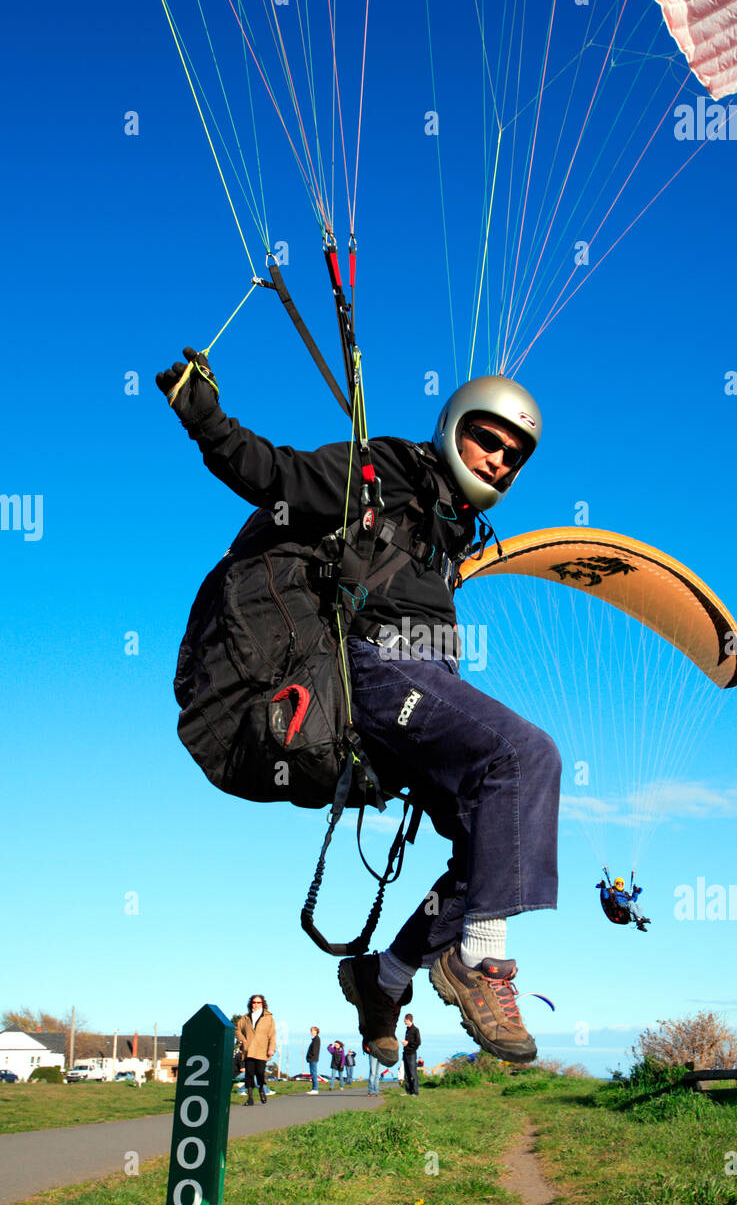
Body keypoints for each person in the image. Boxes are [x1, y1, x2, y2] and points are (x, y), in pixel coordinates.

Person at [157, 355, 561, 1069]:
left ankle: (384, 977)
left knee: (493, 840)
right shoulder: (380, 474)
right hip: (375, 672)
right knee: (526, 756)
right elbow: (274, 475)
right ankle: (482, 967)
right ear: (452, 429)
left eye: (512, 454)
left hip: (419, 683)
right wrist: (205, 418)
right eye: (486, 439)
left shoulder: (453, 532)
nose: (497, 460)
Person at [235, 994, 276, 1105]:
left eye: (258, 1002)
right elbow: (237, 1029)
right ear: (251, 1003)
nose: (256, 1005)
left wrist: (271, 1048)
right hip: (248, 1050)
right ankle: (250, 1098)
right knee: (249, 1074)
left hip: (262, 1049)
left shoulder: (268, 1018)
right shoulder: (246, 1018)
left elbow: (272, 1035)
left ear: (262, 1004)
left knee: (260, 1072)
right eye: (254, 1002)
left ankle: (262, 1089)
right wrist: (242, 1039)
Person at [402, 1014, 421, 1096]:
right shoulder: (407, 1030)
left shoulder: (415, 1030)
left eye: (404, 1019)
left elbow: (418, 1042)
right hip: (405, 1053)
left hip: (412, 1054)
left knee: (413, 1073)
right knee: (407, 1073)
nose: (404, 1021)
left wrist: (408, 1043)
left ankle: (415, 1092)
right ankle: (408, 1091)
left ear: (408, 1019)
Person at [306, 1025, 321, 1095]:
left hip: (313, 1059)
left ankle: (315, 1089)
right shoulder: (315, 1039)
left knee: (314, 1074)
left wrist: (309, 1056)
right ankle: (314, 1088)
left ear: (316, 1031)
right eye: (311, 1031)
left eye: (313, 1031)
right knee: (313, 1074)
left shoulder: (317, 1039)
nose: (311, 1032)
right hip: (312, 1059)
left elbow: (314, 1051)